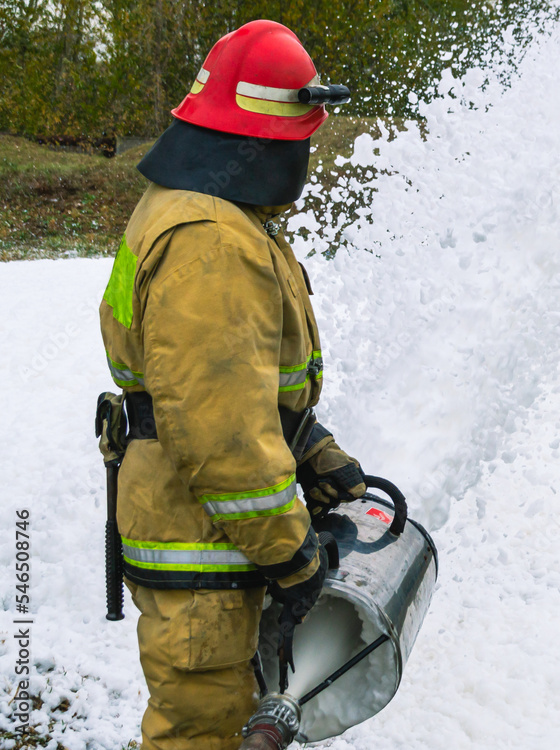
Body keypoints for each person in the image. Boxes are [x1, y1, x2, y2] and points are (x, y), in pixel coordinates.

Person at [98, 20, 366, 750]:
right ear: (269, 138)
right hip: (205, 538)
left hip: (198, 523)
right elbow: (219, 435)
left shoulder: (206, 212)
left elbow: (226, 386)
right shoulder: (212, 240)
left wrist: (311, 448)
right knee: (205, 735)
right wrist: (290, 551)